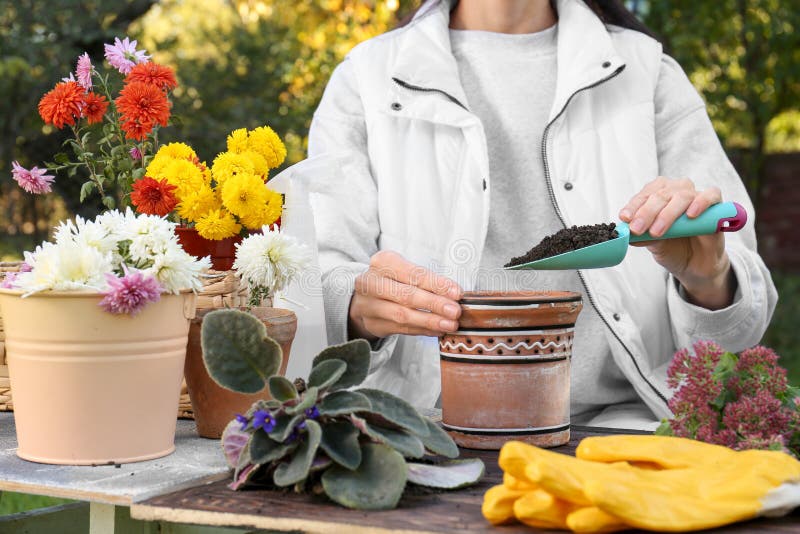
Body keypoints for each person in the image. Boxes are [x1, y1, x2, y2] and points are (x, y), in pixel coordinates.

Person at [306, 0, 777, 428]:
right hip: (420, 429)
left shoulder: (648, 73)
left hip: (618, 429)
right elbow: (314, 285)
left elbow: (741, 326)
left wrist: (710, 278)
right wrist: (357, 305)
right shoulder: (366, 78)